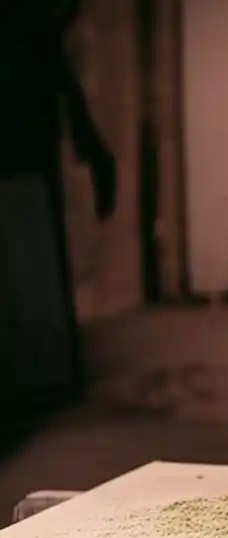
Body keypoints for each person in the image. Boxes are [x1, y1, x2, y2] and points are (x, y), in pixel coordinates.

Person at [0, 0, 115, 430]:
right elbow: (64, 87)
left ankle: (44, 374)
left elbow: (64, 88)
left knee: (33, 271)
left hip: (28, 163)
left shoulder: (34, 41)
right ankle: (39, 374)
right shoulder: (29, 38)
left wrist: (94, 151)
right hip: (21, 163)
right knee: (29, 272)